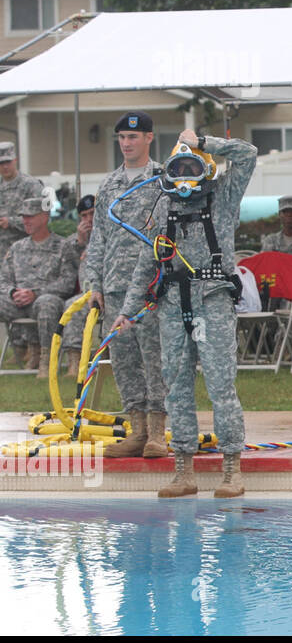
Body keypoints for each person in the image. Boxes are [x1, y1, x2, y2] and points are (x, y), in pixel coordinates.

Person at [113, 129, 258, 498]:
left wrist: (204, 142)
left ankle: (231, 471)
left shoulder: (223, 198)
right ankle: (184, 472)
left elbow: (247, 154)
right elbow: (149, 262)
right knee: (176, 390)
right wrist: (127, 311)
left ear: (205, 170)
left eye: (192, 166)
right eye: (177, 168)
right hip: (173, 304)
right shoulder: (164, 207)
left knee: (220, 387)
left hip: (213, 302)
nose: (184, 178)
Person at [84, 113, 170, 458]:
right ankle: (137, 431)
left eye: (133, 136)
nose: (126, 142)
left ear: (149, 138)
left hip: (151, 288)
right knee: (123, 361)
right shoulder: (109, 184)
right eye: (121, 136)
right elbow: (98, 237)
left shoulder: (162, 179)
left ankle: (158, 434)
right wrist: (94, 284)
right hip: (115, 288)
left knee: (155, 359)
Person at [0, 198, 80, 379]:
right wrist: (13, 293)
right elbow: (3, 280)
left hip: (45, 300)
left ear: (44, 217)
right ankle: (26, 352)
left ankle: (46, 360)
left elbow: (67, 282)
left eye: (30, 217)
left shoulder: (62, 246)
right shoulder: (16, 248)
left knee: (47, 303)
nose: (25, 221)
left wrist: (36, 293)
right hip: (17, 303)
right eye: (23, 217)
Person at [0, 140, 45, 366]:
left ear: (15, 160)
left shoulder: (29, 185)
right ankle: (18, 348)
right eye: (1, 164)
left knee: (27, 298)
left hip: (27, 254)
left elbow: (41, 215)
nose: (4, 167)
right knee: (8, 298)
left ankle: (34, 347)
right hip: (2, 254)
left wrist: (12, 222)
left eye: (7, 162)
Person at [60, 194, 97, 375]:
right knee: (71, 306)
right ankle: (74, 361)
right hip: (85, 294)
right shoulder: (72, 242)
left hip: (109, 292)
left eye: (92, 213)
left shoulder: (113, 235)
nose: (88, 219)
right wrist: (80, 244)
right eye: (84, 216)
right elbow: (67, 271)